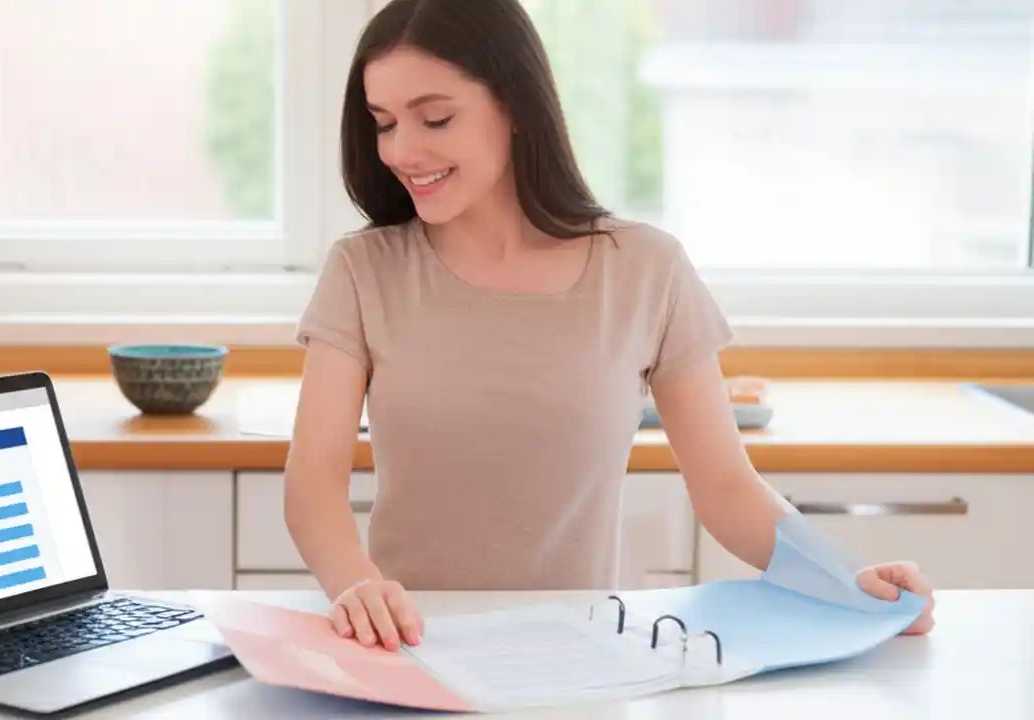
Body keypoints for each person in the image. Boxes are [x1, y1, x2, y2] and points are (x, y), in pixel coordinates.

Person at [285, 0, 935, 652]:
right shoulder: (363, 271)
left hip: (580, 655)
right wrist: (355, 587)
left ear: (514, 105)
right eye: (384, 123)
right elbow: (313, 484)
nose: (401, 150)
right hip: (407, 653)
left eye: (435, 118)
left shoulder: (645, 270)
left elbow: (728, 489)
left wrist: (848, 582)